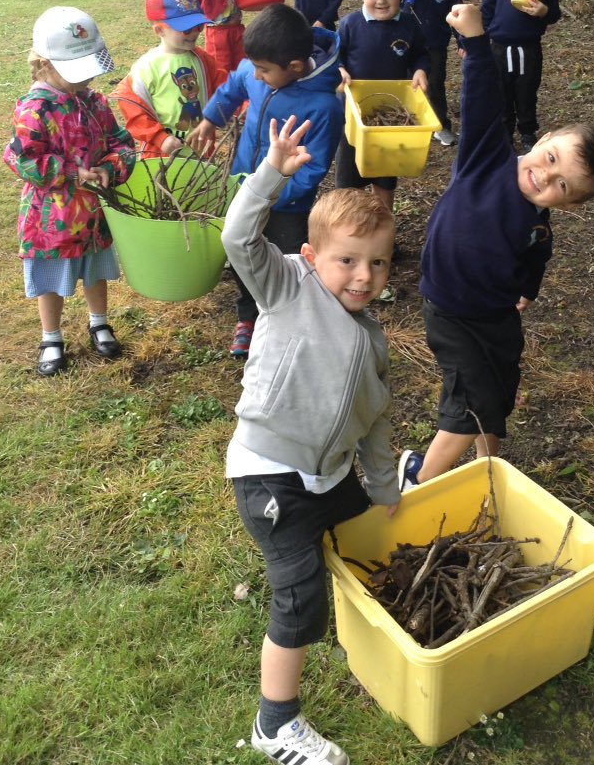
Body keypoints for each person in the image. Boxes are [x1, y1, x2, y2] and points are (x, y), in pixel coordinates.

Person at [221, 113, 400, 765]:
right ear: (311, 257)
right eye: (347, 261)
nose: (363, 276)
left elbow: (376, 421)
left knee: (369, 551)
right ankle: (276, 724)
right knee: (299, 599)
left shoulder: (374, 340)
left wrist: (384, 489)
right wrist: (271, 174)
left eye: (377, 263)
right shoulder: (286, 288)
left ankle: (376, 647)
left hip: (329, 480)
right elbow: (239, 238)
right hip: (270, 475)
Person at [398, 3, 594, 490]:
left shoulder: (540, 224)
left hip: (497, 314)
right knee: (468, 404)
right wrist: (475, 42)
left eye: (561, 186)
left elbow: (536, 256)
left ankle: (489, 469)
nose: (543, 176)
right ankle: (415, 480)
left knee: (499, 389)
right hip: (451, 309)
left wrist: (526, 289)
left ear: (571, 205)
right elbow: (485, 99)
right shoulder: (487, 158)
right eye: (549, 158)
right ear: (542, 138)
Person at [188, 3, 343, 357]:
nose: (256, 75)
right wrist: (212, 118)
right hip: (244, 187)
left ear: (295, 67)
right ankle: (248, 315)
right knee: (244, 250)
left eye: (263, 70)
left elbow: (312, 169)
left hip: (288, 205)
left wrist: (273, 194)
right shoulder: (258, 67)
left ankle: (285, 319)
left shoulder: (324, 107)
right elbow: (234, 87)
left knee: (284, 258)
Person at [4, 6, 136, 377]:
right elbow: (21, 158)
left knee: (94, 270)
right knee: (51, 277)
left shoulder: (95, 102)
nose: (87, 79)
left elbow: (122, 143)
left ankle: (99, 321)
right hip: (52, 218)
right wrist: (70, 173)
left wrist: (111, 167)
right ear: (45, 65)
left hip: (93, 213)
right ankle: (51, 336)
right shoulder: (34, 109)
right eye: (77, 71)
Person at [335, 0, 430, 217]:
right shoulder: (350, 24)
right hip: (354, 115)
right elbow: (335, 57)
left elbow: (420, 53)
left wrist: (421, 71)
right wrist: (340, 70)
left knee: (385, 177)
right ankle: (348, 225)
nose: (381, 1)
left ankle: (384, 227)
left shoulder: (409, 25)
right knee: (349, 178)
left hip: (390, 116)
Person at [114, 0, 224, 157]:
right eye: (187, 29)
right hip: (162, 156)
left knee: (202, 183)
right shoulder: (148, 67)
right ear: (159, 30)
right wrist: (160, 138)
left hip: (201, 152)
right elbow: (132, 106)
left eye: (199, 26)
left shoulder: (201, 59)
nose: (196, 33)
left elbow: (224, 86)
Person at [481, 0, 562, 153]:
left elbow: (554, 14)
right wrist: (477, 41)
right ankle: (504, 131)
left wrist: (543, 11)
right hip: (499, 49)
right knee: (502, 92)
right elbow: (486, 12)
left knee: (526, 91)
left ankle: (527, 131)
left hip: (529, 49)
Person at [395, 0, 463, 147]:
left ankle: (440, 125)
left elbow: (456, 16)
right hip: (405, 44)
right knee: (405, 83)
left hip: (434, 46)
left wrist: (462, 41)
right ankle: (405, 122)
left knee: (434, 85)